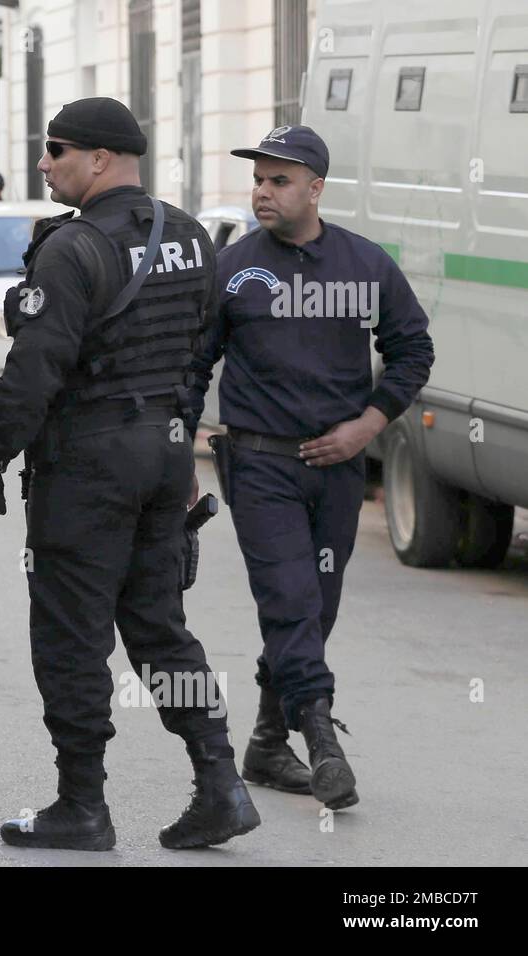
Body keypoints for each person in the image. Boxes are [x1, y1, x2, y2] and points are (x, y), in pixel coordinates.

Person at [0, 97, 260, 851]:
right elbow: (197, 354)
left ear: (99, 159)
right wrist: (179, 444)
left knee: (71, 637)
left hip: (88, 462)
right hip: (161, 457)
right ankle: (220, 783)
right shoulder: (190, 235)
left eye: (54, 150)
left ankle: (81, 807)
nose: (42, 163)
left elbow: (32, 374)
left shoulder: (72, 250)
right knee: (160, 628)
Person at [188, 126, 434, 810]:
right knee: (291, 598)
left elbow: (413, 349)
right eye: (259, 180)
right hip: (259, 463)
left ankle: (267, 743)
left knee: (315, 609)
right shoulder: (232, 268)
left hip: (339, 471)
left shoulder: (366, 266)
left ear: (316, 188)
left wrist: (370, 425)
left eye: (279, 181)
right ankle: (323, 742)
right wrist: (178, 451)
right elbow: (192, 365)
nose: (263, 192)